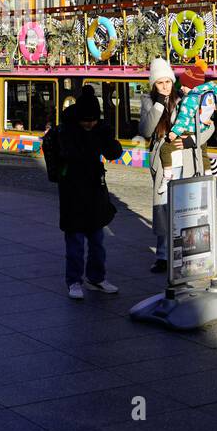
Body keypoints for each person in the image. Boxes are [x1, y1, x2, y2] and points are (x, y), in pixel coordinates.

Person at [54, 87, 123, 299]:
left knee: (97, 241)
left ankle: (96, 277)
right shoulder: (65, 131)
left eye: (93, 120)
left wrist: (105, 134)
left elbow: (114, 152)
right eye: (86, 120)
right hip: (72, 191)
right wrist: (92, 139)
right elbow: (70, 156)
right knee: (75, 242)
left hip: (95, 192)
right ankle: (74, 281)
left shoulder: (99, 129)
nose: (89, 124)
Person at [138, 58, 185, 274]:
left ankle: (183, 252)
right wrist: (160, 105)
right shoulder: (148, 101)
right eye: (160, 83)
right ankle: (163, 256)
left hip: (183, 161)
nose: (165, 86)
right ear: (153, 84)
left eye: (168, 81)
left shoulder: (183, 99)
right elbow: (146, 131)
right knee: (163, 210)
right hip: (162, 165)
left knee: (183, 209)